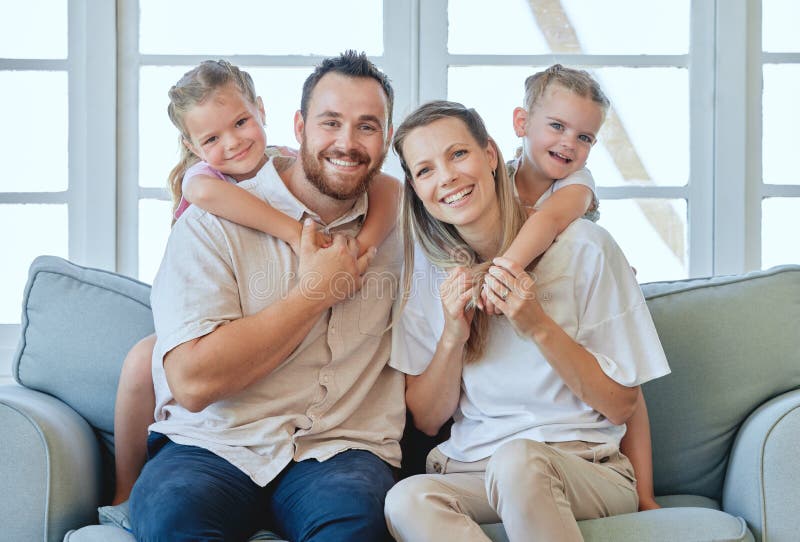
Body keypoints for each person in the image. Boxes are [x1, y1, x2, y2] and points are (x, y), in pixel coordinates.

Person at [127, 51, 405, 542]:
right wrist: (316, 291)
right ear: (300, 127)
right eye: (330, 122)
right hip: (212, 444)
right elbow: (191, 383)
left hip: (340, 447)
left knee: (356, 527)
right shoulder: (210, 219)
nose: (347, 142)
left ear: (386, 137)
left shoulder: (404, 226)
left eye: (367, 126)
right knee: (174, 517)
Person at [384, 101, 670, 541]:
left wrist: (538, 325)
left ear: (490, 155)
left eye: (458, 154)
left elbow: (620, 404)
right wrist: (453, 337)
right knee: (406, 499)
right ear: (416, 189)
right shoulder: (424, 273)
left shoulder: (587, 247)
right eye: (425, 170)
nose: (447, 177)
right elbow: (426, 420)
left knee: (518, 461)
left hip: (584, 467)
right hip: (474, 471)